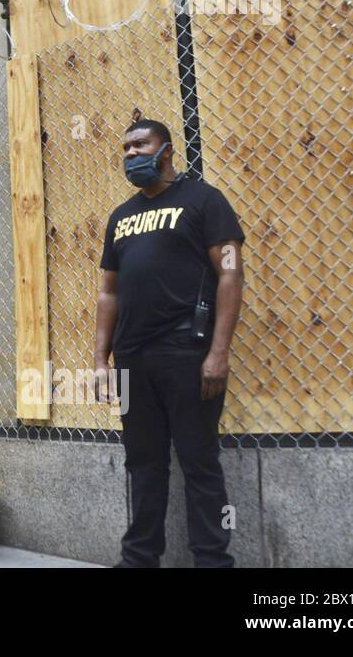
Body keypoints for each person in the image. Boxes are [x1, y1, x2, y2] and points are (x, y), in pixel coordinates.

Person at [93, 119, 245, 569]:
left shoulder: (204, 201)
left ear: (167, 150)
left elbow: (231, 274)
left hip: (187, 353)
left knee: (199, 462)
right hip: (132, 359)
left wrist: (219, 352)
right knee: (143, 463)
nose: (131, 154)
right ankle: (139, 559)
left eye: (141, 145)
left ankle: (213, 561)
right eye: (125, 148)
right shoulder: (120, 217)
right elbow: (108, 293)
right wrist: (100, 360)